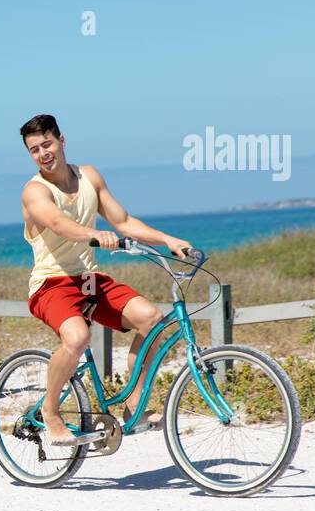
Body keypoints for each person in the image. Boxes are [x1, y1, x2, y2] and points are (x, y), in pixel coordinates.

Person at [19, 114, 194, 446]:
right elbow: (57, 223)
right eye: (34, 150)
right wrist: (94, 234)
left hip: (88, 280)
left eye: (47, 144)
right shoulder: (34, 191)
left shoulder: (89, 177)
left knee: (152, 319)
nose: (43, 154)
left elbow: (124, 221)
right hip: (50, 285)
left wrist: (169, 240)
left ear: (62, 141)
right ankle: (51, 412)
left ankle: (134, 405)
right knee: (76, 337)